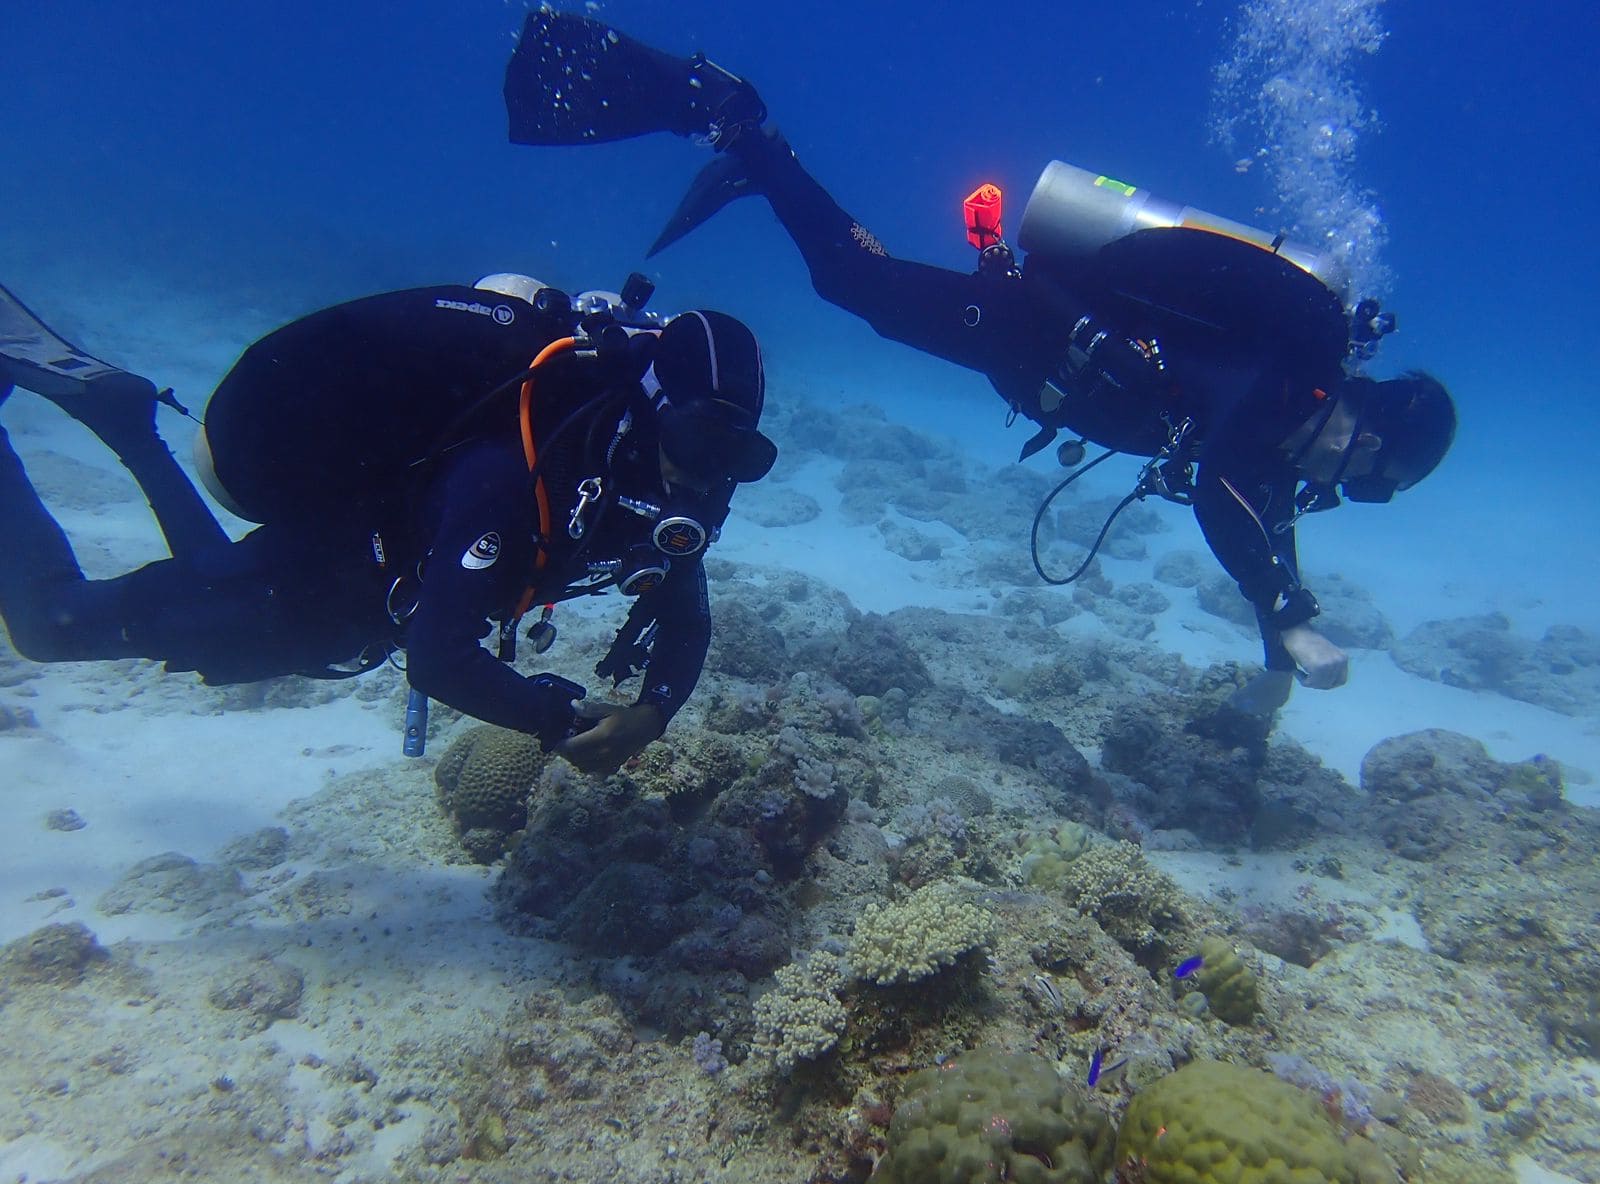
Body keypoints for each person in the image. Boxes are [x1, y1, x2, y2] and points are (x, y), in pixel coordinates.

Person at [500, 11, 1456, 711]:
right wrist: (1286, 617)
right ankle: (737, 120)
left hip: (1034, 349)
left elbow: (1260, 513)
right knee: (851, 283)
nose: (1343, 486)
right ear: (1371, 428)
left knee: (856, 285)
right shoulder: (1294, 376)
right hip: (1030, 326)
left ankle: (756, 158)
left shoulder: (1285, 419)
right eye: (1369, 476)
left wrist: (1276, 665)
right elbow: (1224, 493)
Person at [0, 273, 777, 772]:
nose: (707, 474)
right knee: (49, 627)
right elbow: (438, 659)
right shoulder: (513, 474)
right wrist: (552, 718)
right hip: (314, 589)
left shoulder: (651, 485)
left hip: (351, 614)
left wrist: (654, 710)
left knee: (211, 571)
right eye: (699, 440)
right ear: (649, 407)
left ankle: (128, 426)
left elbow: (684, 615)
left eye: (739, 455)